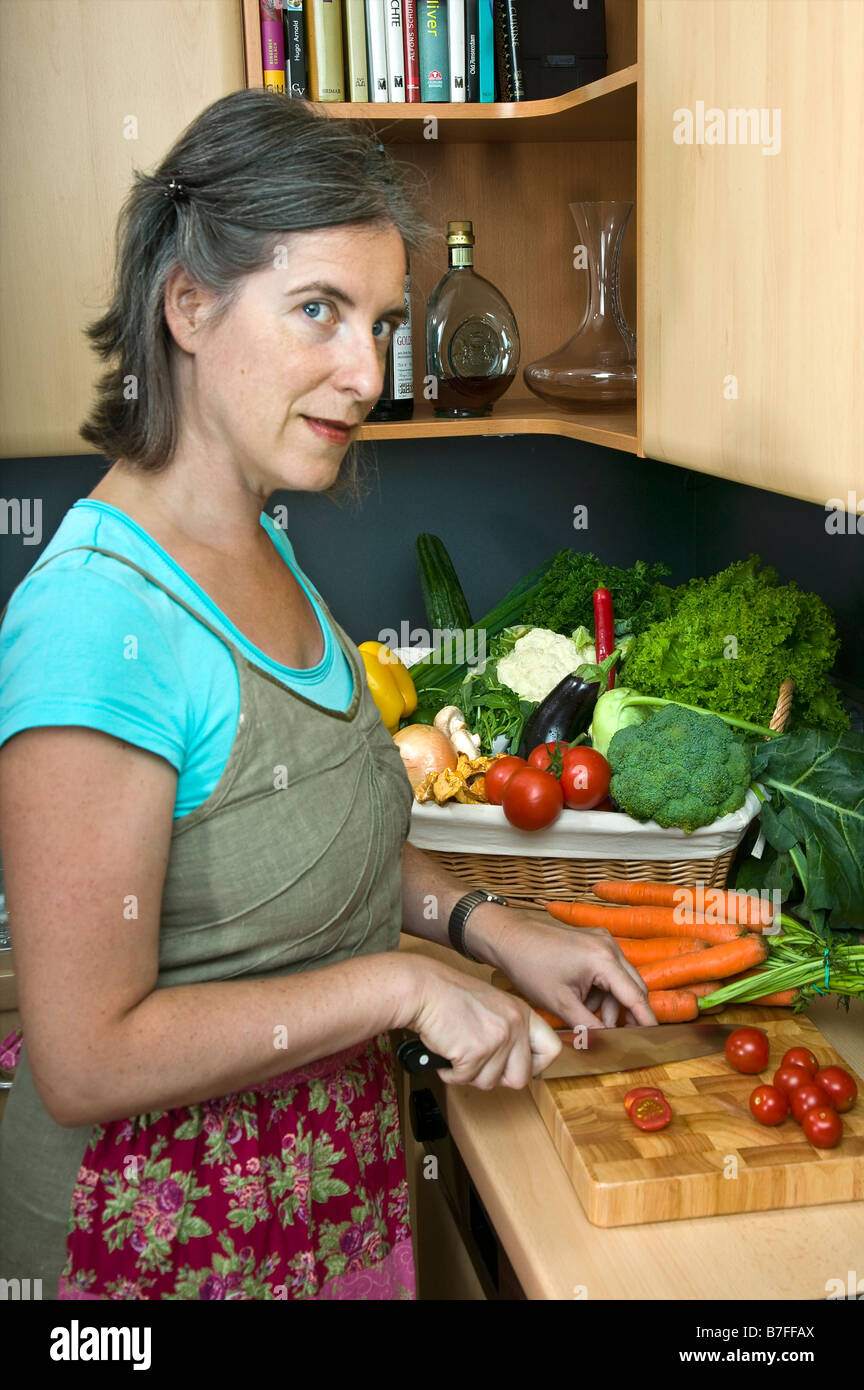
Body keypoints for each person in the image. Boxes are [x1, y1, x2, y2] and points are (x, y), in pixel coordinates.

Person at [0, 88, 655, 1302]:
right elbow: (83, 1061)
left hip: (321, 1201)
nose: (367, 370)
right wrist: (405, 985)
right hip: (150, 1255)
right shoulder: (99, 621)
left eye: (382, 321)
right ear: (188, 307)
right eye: (319, 312)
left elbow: (308, 843)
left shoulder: (264, 547)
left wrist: (490, 929)